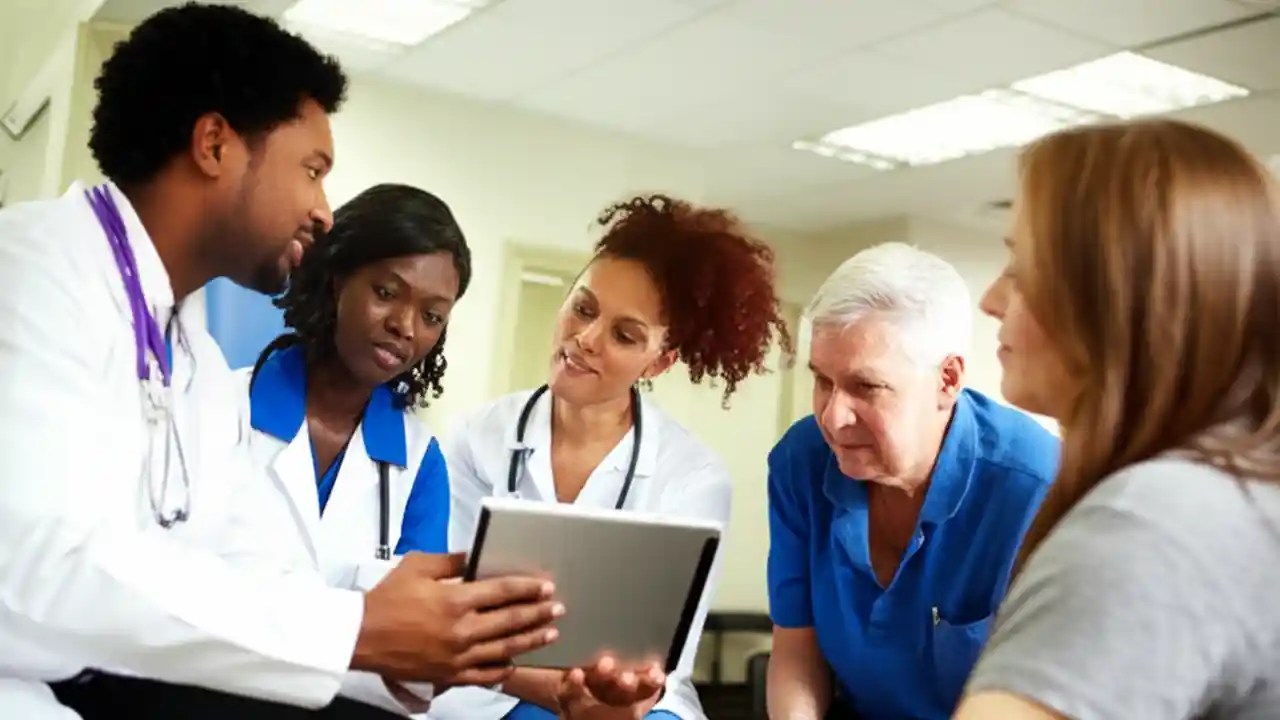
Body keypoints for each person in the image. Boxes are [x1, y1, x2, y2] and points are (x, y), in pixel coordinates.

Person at [0, 6, 561, 719]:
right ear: (214, 145)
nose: (323, 212)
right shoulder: (31, 269)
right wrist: (363, 629)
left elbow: (261, 575)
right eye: (312, 170)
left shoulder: (193, 363)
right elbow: (34, 565)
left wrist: (440, 636)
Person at [954, 120, 1280, 719]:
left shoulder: (1156, 524)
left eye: (1020, 268)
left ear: (1114, 299)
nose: (992, 299)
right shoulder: (1244, 498)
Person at [429, 194, 792, 720]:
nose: (585, 339)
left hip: (637, 703)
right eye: (583, 307)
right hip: (494, 692)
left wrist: (609, 699)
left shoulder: (692, 476)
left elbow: (665, 660)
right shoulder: (476, 438)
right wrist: (559, 695)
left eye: (625, 335)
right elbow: (454, 618)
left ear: (659, 362)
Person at [765, 242, 1060, 720]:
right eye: (822, 380)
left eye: (867, 387)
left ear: (947, 379)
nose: (833, 417)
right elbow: (797, 650)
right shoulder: (801, 461)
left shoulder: (1038, 488)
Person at [242, 183, 471, 713]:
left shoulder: (420, 463)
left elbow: (418, 653)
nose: (405, 327)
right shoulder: (221, 405)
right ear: (337, 276)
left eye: (432, 315)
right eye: (387, 293)